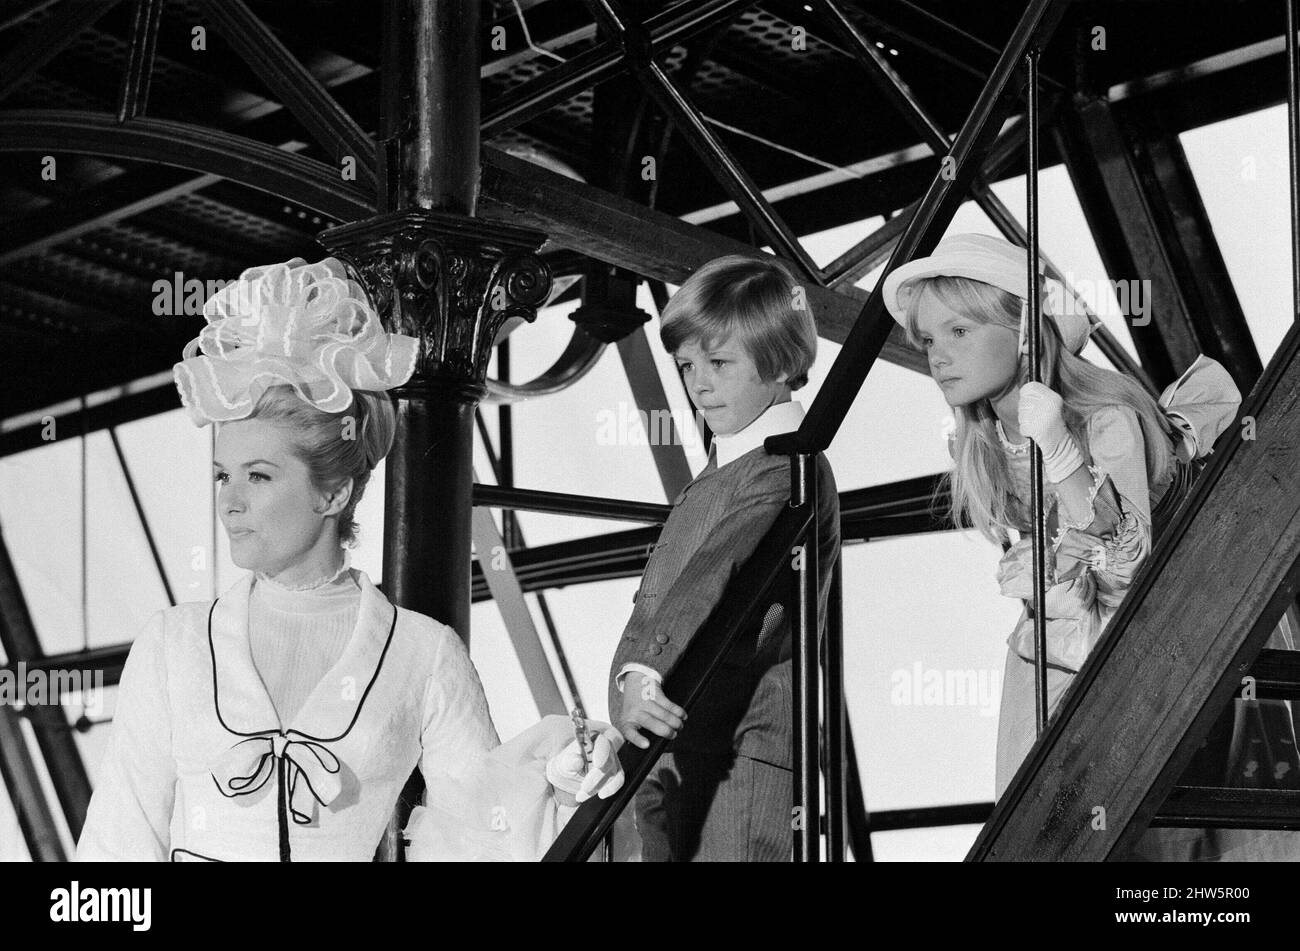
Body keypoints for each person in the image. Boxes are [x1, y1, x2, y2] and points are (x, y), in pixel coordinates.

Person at [75, 256, 622, 862]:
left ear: (333, 493)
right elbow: (119, 839)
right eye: (222, 474)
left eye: (258, 476)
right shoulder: (172, 644)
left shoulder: (424, 653)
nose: (230, 502)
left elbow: (479, 827)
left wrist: (565, 779)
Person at [882, 232, 1300, 860]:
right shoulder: (986, 444)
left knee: (1198, 853)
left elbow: (1127, 562)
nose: (938, 356)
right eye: (928, 340)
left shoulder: (1104, 417)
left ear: (1027, 333)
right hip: (1068, 649)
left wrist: (1061, 450)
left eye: (959, 332)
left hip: (1170, 634)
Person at [608, 254, 840, 862]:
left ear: (780, 360)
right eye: (687, 365)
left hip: (745, 756)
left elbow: (716, 569)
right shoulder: (722, 472)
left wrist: (643, 669)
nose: (699, 384)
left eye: (719, 362)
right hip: (686, 745)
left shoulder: (787, 470)